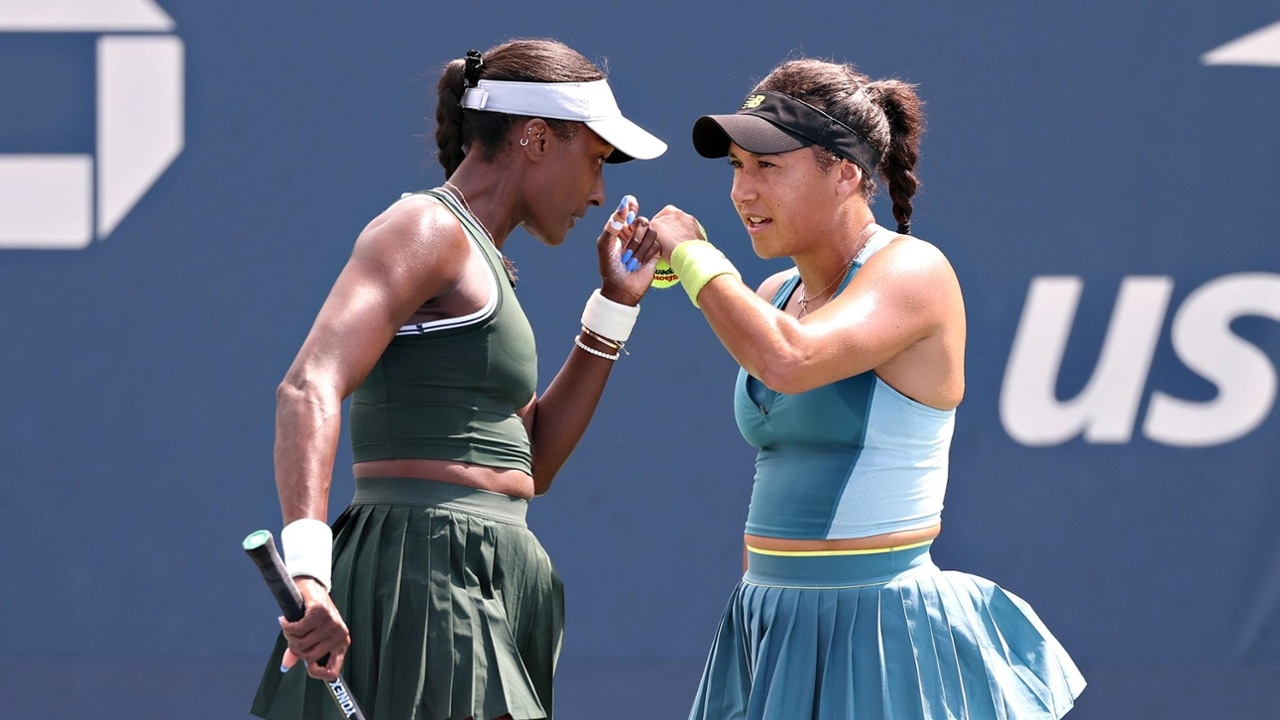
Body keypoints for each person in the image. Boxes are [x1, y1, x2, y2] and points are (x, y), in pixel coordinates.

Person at [645, 58, 1087, 719]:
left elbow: (790, 361)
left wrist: (693, 258)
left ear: (846, 172)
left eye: (768, 166)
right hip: (769, 625)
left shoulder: (913, 271)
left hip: (883, 636)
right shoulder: (776, 293)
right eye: (736, 167)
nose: (741, 191)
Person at [250, 38, 668, 720]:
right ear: (535, 138)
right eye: (595, 161)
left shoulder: (485, 258)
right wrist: (308, 570)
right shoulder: (424, 228)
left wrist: (615, 310)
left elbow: (528, 461)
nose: (599, 194)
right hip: (425, 567)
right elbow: (308, 385)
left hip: (484, 566)